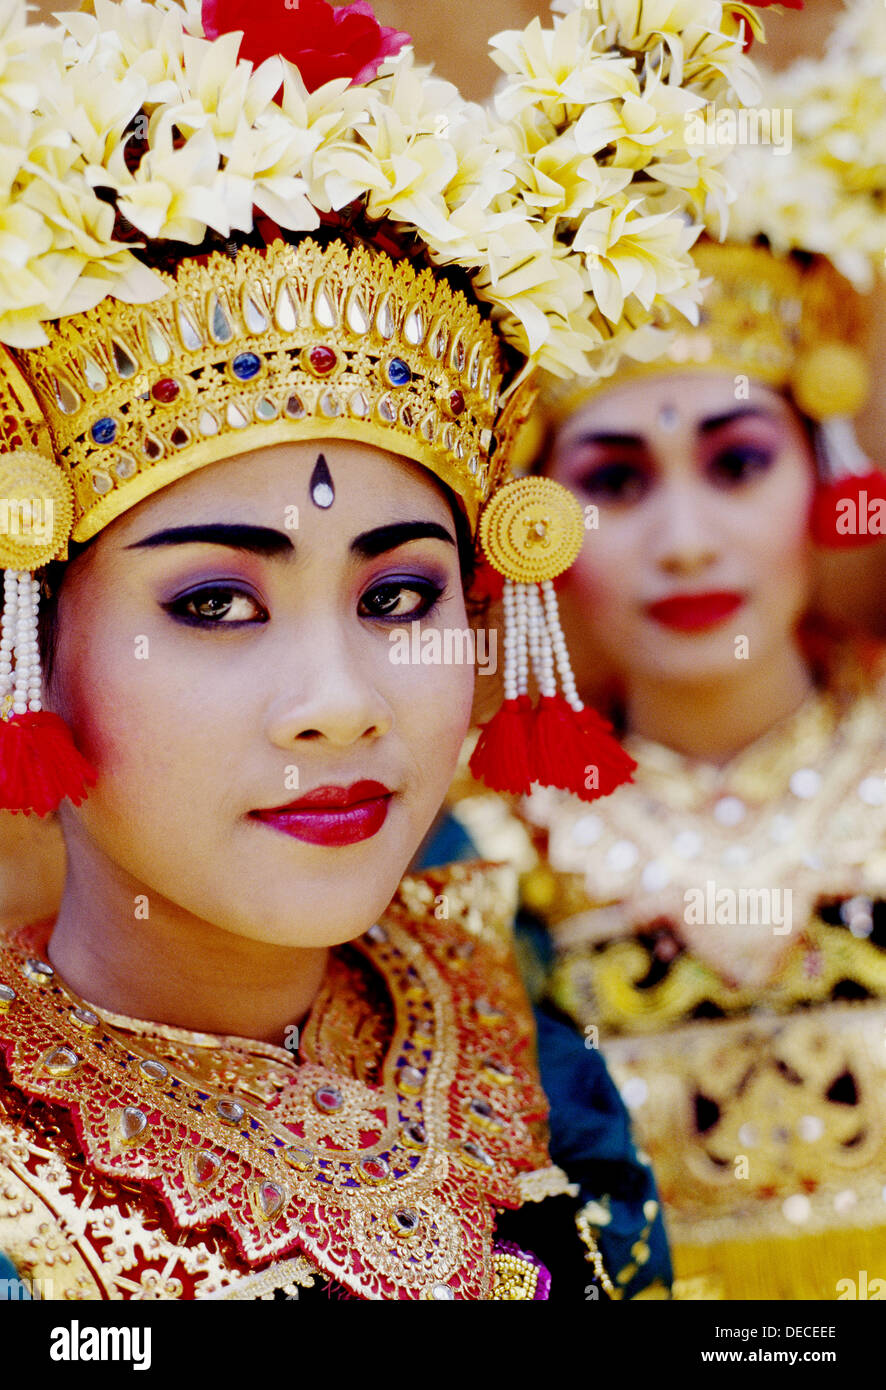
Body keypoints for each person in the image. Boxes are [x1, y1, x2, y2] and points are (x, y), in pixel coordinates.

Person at [0, 0, 753, 1299]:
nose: (338, 705)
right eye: (216, 604)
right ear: (30, 638)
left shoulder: (493, 991)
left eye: (399, 595)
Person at [453, 0, 886, 1299]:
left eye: (736, 461)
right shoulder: (482, 852)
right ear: (539, 521)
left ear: (819, 471)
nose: (686, 540)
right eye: (617, 480)